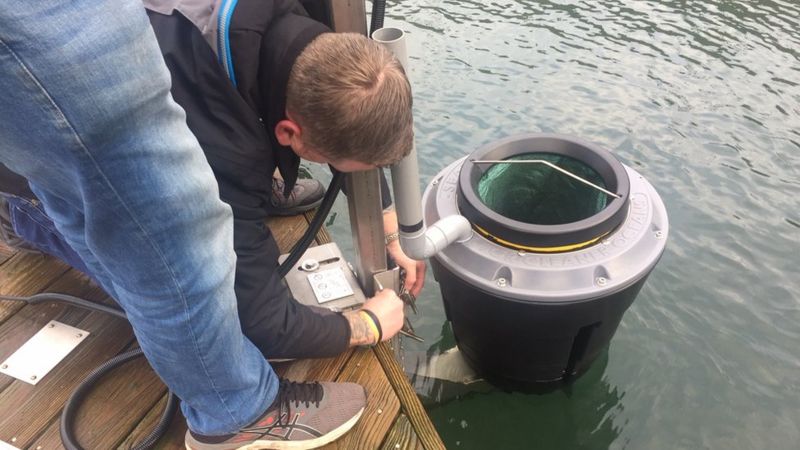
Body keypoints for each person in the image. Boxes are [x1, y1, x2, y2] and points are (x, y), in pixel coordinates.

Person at [0, 0, 420, 449]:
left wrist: (389, 224)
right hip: (31, 168)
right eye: (342, 163)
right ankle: (17, 218)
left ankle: (260, 189)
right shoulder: (224, 149)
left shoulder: (306, 30)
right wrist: (363, 326)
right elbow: (263, 323)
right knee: (165, 265)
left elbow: (351, 129)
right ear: (287, 135)